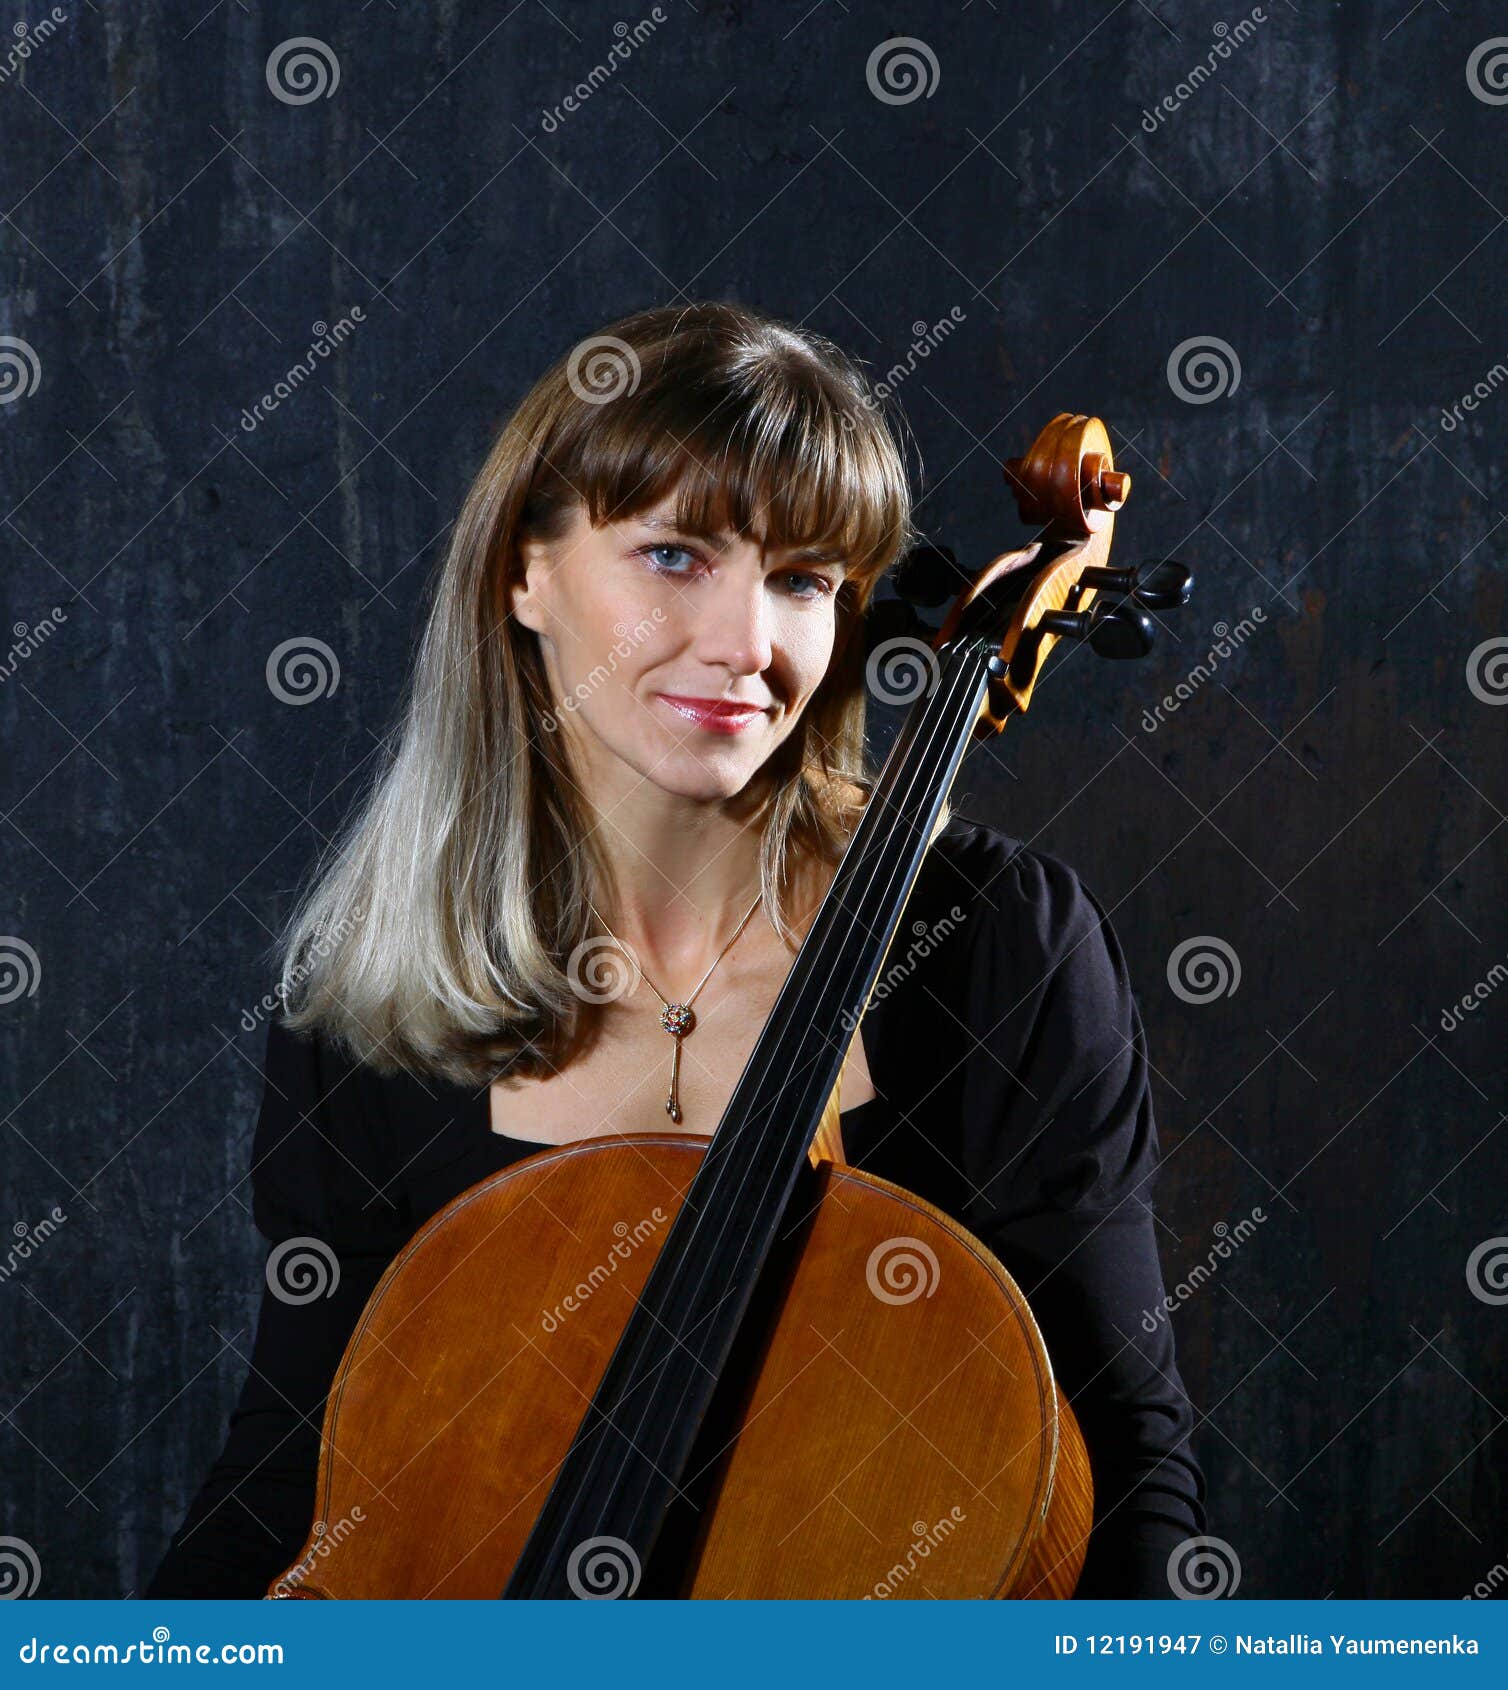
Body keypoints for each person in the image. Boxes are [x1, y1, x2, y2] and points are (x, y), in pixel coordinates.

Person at [145, 300, 1206, 1599]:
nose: (747, 643)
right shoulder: (371, 1009)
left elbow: (1132, 1470)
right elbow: (293, 1482)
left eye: (807, 578)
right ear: (522, 574)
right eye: (675, 556)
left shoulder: (995, 949)